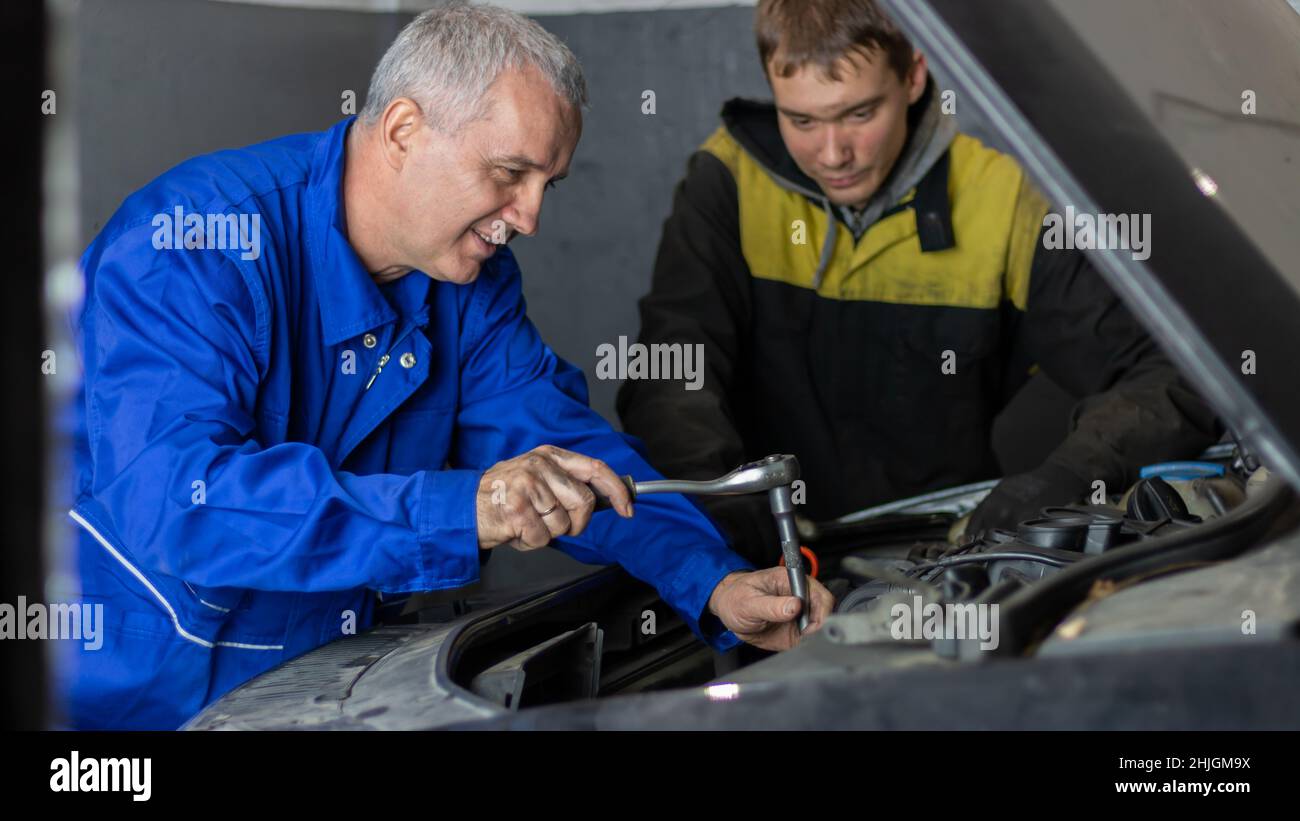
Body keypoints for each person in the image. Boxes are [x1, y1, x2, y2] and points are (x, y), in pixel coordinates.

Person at [62, 2, 832, 730]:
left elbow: (569, 454)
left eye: (546, 184)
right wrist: (466, 509)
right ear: (402, 129)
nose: (530, 216)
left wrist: (712, 579)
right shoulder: (192, 245)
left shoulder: (469, 285)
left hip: (320, 683)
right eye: (509, 173)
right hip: (136, 699)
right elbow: (179, 501)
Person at [617, 0, 1220, 564]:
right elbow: (671, 367)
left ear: (913, 78)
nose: (832, 153)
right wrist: (721, 507)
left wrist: (1065, 477)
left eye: (860, 113)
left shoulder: (1002, 202)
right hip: (761, 564)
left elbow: (1165, 374)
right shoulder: (726, 183)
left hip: (941, 563)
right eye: (800, 119)